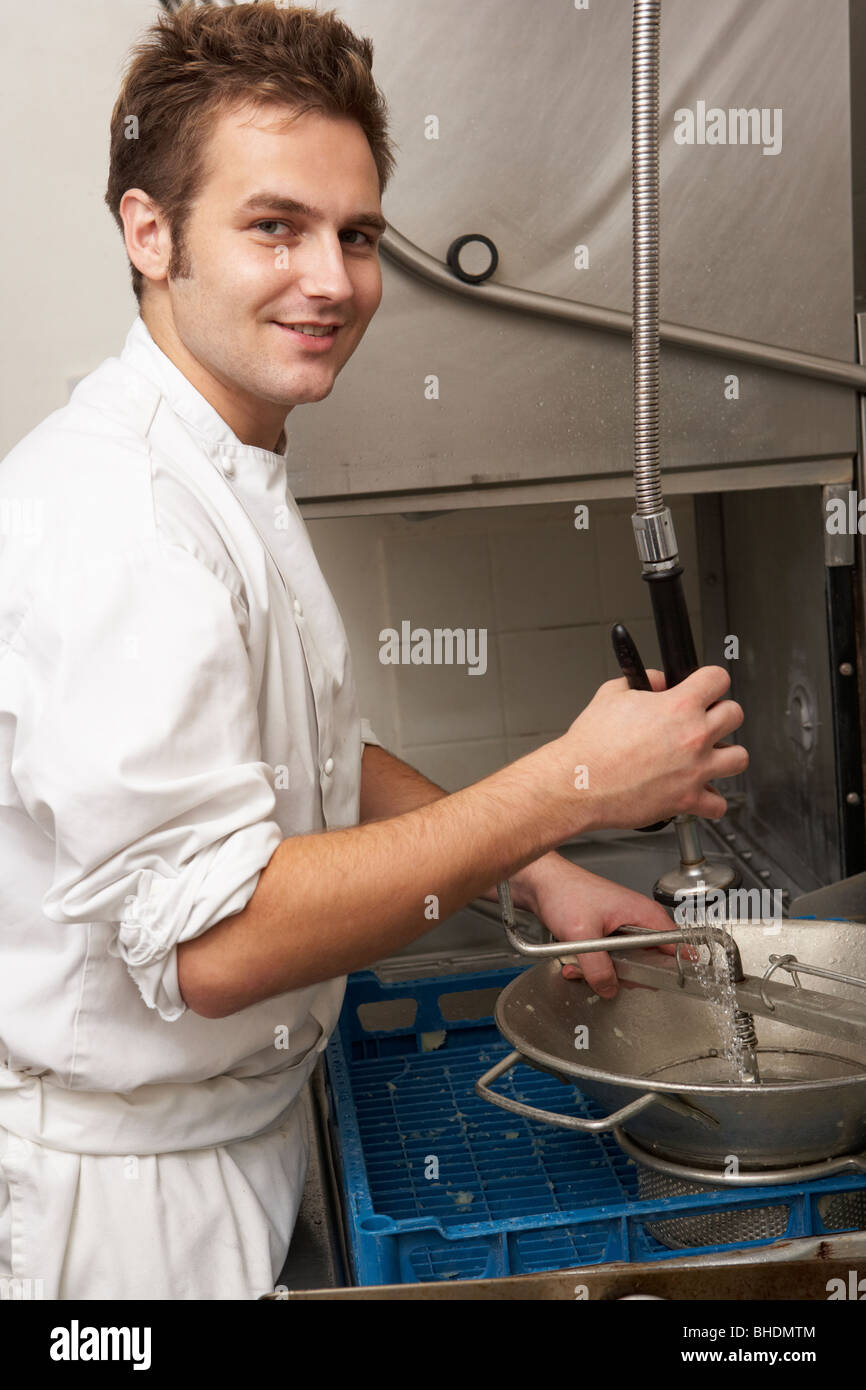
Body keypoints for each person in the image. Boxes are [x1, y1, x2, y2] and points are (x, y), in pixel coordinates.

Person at [0, 2, 747, 1300]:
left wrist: (538, 869)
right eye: (273, 226)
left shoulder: (219, 455)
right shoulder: (119, 523)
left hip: (234, 1135)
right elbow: (212, 945)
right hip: (117, 1218)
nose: (334, 280)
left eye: (356, 234)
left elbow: (294, 749)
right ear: (149, 231)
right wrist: (568, 782)